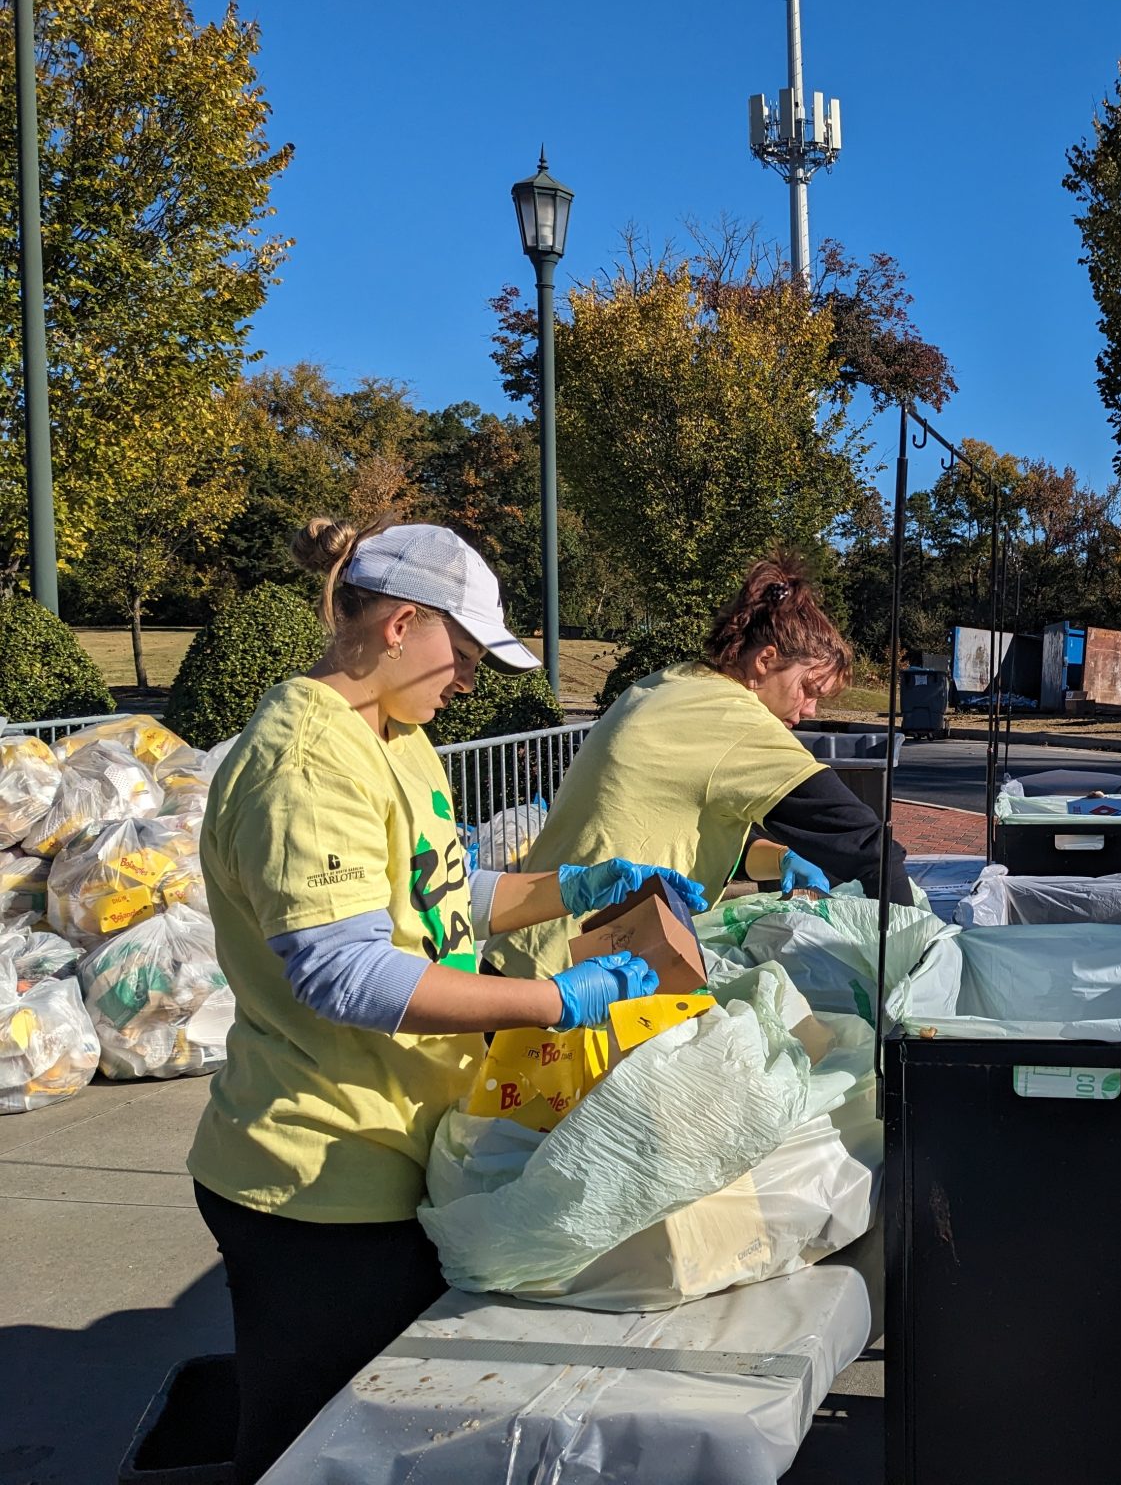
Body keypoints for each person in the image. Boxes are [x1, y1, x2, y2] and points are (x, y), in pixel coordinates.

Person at [189, 517, 705, 1483]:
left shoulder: (399, 736)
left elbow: (442, 891)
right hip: (317, 1179)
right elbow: (344, 970)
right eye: (462, 655)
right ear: (401, 625)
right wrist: (553, 1001)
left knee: (373, 1436)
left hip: (395, 1152)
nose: (467, 681)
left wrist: (582, 888)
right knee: (311, 1449)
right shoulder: (305, 763)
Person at [490, 553, 911, 983]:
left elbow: (689, 835)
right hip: (571, 976)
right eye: (807, 688)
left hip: (527, 947)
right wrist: (909, 960)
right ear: (765, 660)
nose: (808, 710)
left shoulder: (672, 684)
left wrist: (782, 856)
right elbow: (874, 849)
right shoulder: (736, 720)